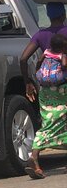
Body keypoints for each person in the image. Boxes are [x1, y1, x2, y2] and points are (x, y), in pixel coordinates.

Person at [25, 32, 67, 179]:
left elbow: (29, 60)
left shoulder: (46, 51)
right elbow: (65, 66)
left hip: (44, 92)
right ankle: (34, 155)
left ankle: (35, 159)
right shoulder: (62, 55)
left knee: (52, 120)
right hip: (60, 91)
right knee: (53, 124)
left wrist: (36, 74)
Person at [20, 1, 67, 99]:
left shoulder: (40, 35)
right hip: (64, 84)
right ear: (64, 15)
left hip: (48, 89)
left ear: (48, 16)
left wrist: (27, 82)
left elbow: (23, 59)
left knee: (49, 112)